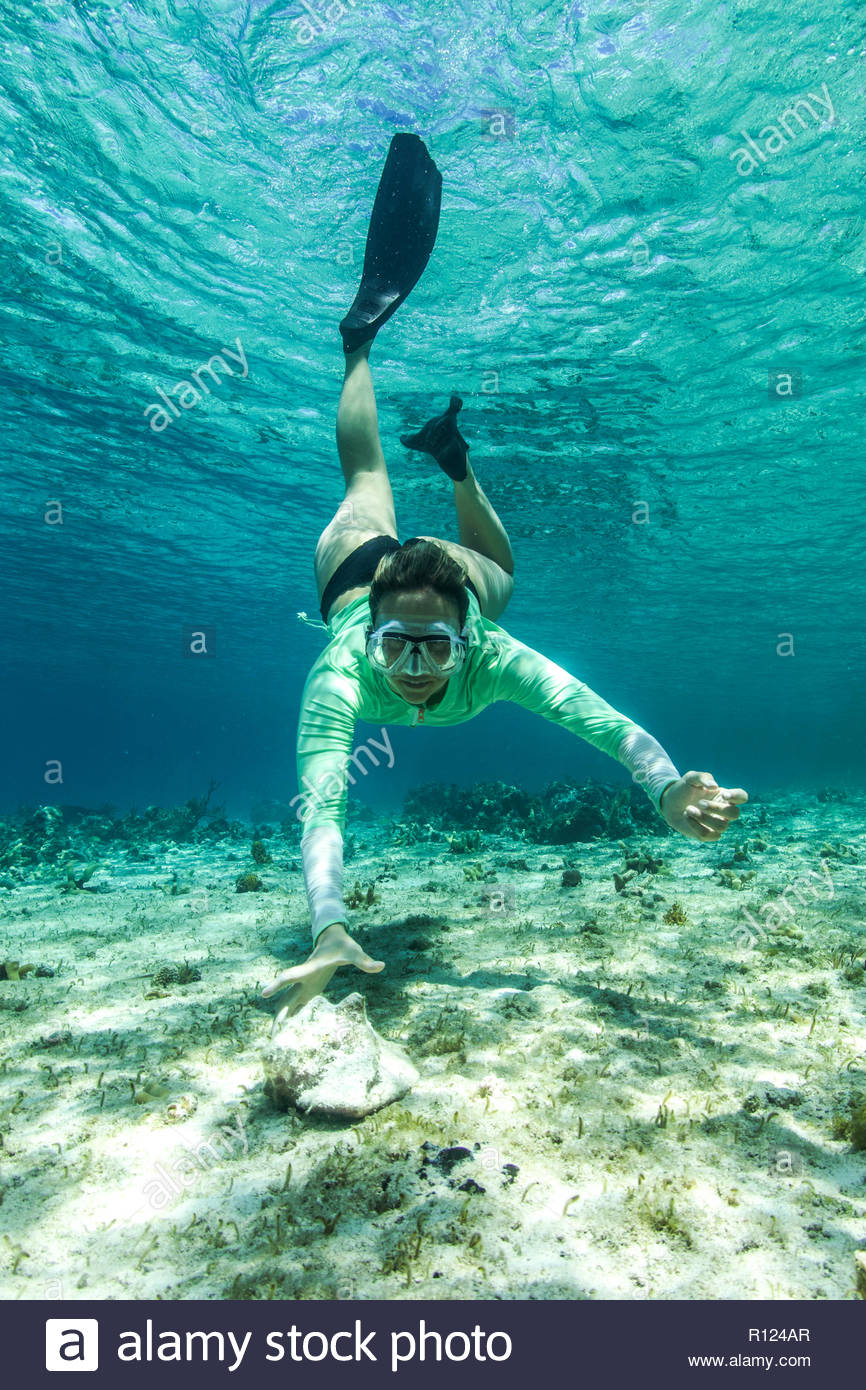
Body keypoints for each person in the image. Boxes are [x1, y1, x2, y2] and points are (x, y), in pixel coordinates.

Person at [262, 134, 747, 1025]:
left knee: (502, 573)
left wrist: (666, 786)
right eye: (397, 644)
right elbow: (321, 803)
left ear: (466, 638)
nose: (411, 665)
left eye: (433, 644)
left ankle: (455, 465)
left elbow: (599, 721)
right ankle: (358, 343)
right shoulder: (341, 672)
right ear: (369, 635)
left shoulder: (493, 653)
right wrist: (327, 922)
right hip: (359, 573)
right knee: (365, 485)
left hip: (438, 575)